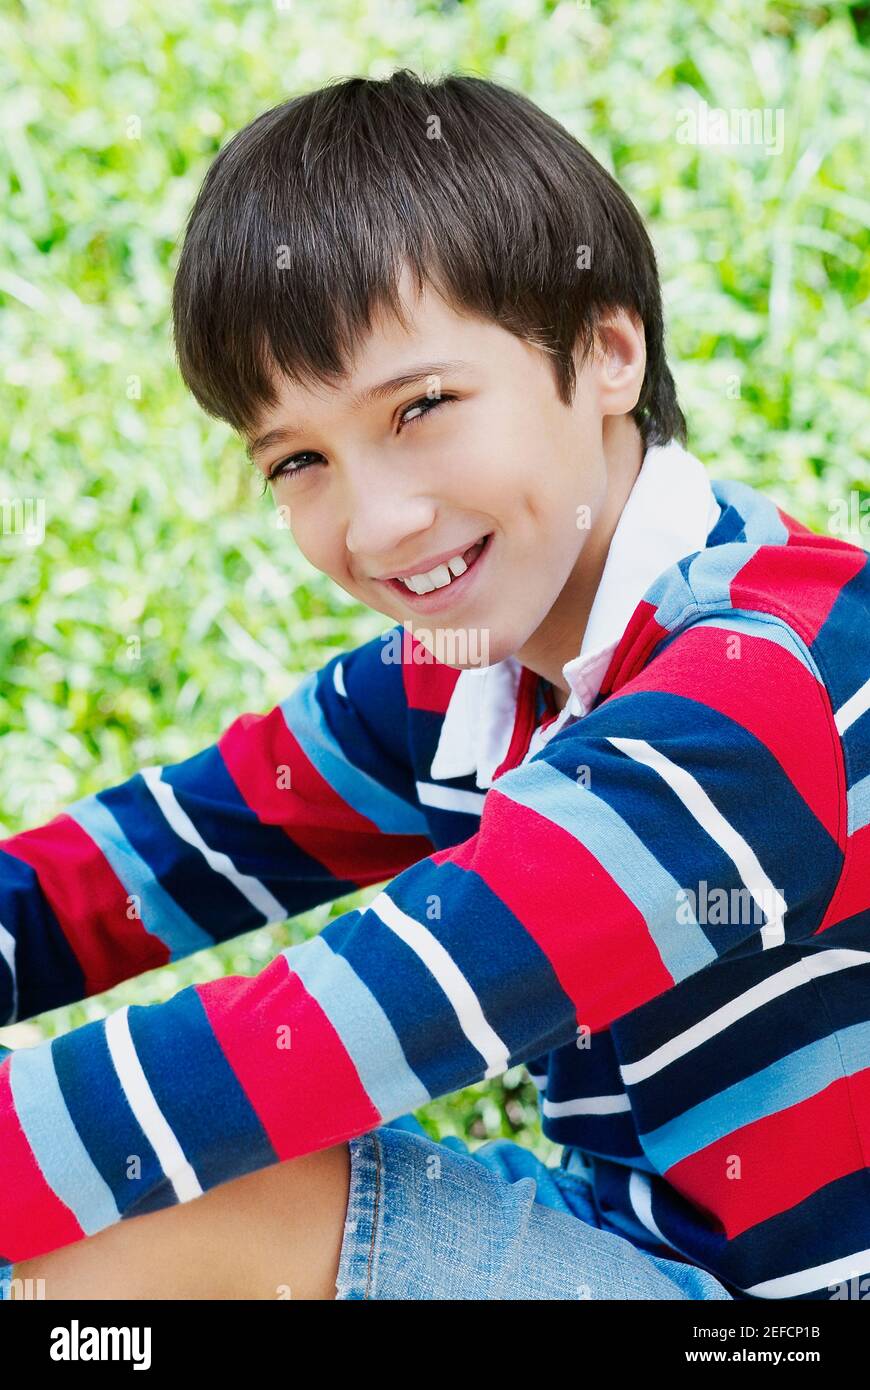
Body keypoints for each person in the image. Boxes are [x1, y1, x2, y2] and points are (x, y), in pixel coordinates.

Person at [1, 69, 868, 1302]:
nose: (377, 520)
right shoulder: (474, 673)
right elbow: (134, 868)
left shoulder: (752, 689)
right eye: (299, 459)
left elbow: (342, 1031)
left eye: (421, 407)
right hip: (638, 1239)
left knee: (160, 1211)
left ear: (608, 350)